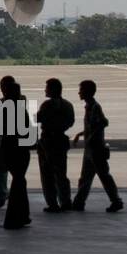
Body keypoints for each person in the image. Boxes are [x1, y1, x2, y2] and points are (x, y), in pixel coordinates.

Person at [71, 80, 123, 213]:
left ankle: (116, 201)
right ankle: (79, 202)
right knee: (86, 177)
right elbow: (93, 126)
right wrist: (81, 134)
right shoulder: (90, 106)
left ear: (88, 92)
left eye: (81, 90)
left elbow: (103, 123)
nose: (79, 92)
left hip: (96, 149)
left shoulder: (94, 107)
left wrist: (90, 137)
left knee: (102, 176)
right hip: (90, 149)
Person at [35, 78, 74, 212]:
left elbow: (37, 118)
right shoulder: (68, 105)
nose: (45, 90)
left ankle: (52, 203)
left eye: (47, 88)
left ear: (52, 90)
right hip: (61, 140)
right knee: (61, 174)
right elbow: (71, 122)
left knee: (47, 175)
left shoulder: (47, 105)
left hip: (47, 141)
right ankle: (65, 201)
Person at [0, 81, 34, 230]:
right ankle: (16, 217)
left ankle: (20, 215)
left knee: (19, 182)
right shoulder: (17, 108)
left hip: (10, 150)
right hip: (18, 151)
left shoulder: (6, 108)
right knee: (19, 182)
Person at [0, 74, 16, 207]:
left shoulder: (7, 102)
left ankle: (3, 193)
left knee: (0, 168)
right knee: (3, 169)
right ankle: (5, 193)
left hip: (7, 140)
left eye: (4, 86)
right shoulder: (17, 101)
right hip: (7, 140)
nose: (2, 89)